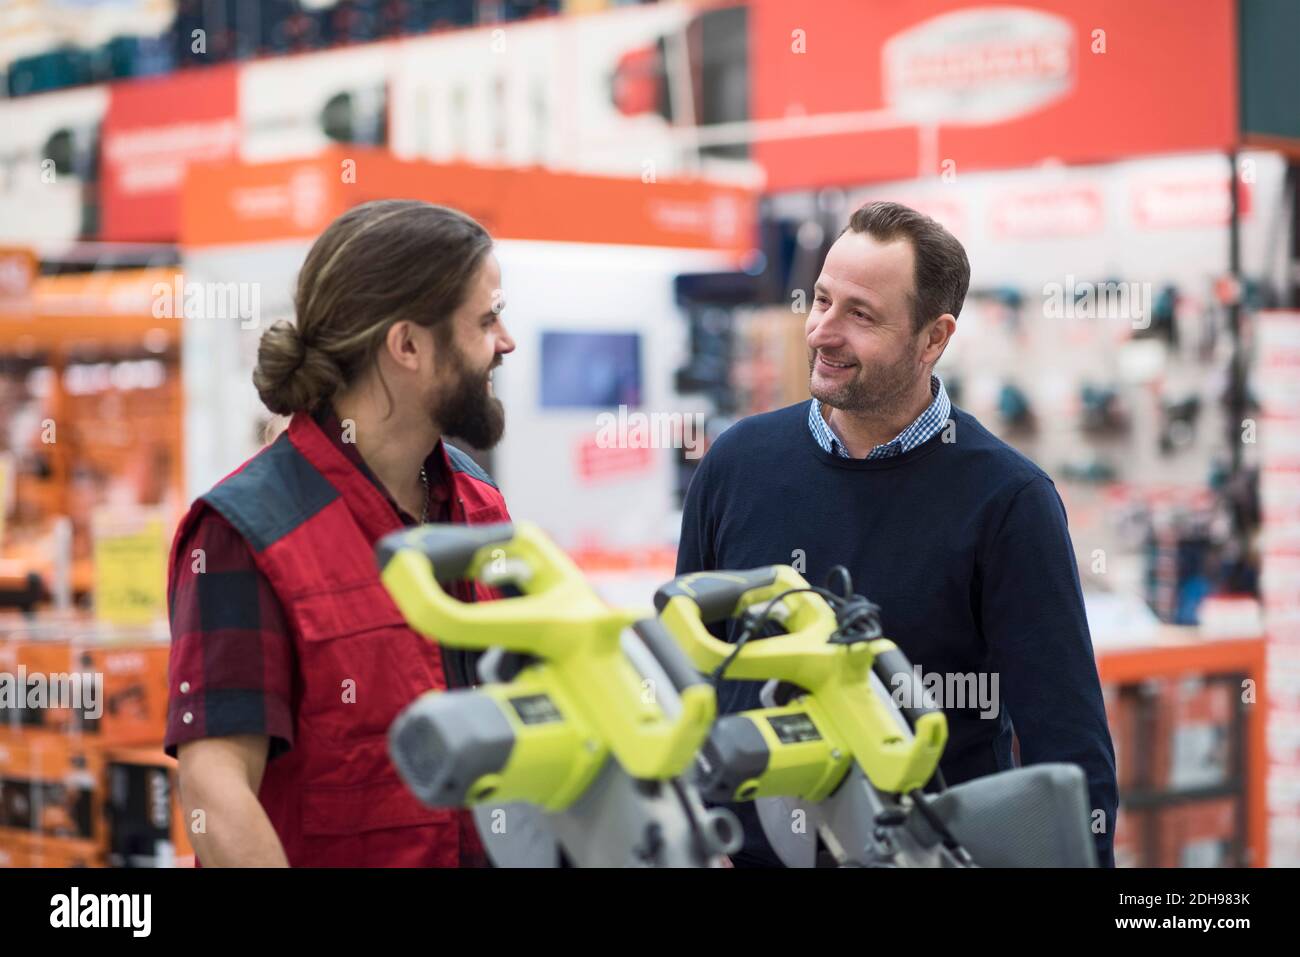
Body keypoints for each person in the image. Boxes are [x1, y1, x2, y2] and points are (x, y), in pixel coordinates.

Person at [676, 201, 1118, 867]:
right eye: (821, 300)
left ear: (933, 338)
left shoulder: (1008, 501)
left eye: (860, 314)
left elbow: (1068, 747)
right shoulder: (736, 464)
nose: (823, 330)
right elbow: (688, 675)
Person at [165, 200, 516, 866]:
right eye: (487, 319)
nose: (506, 342)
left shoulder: (478, 502)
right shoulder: (245, 532)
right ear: (407, 345)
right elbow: (215, 792)